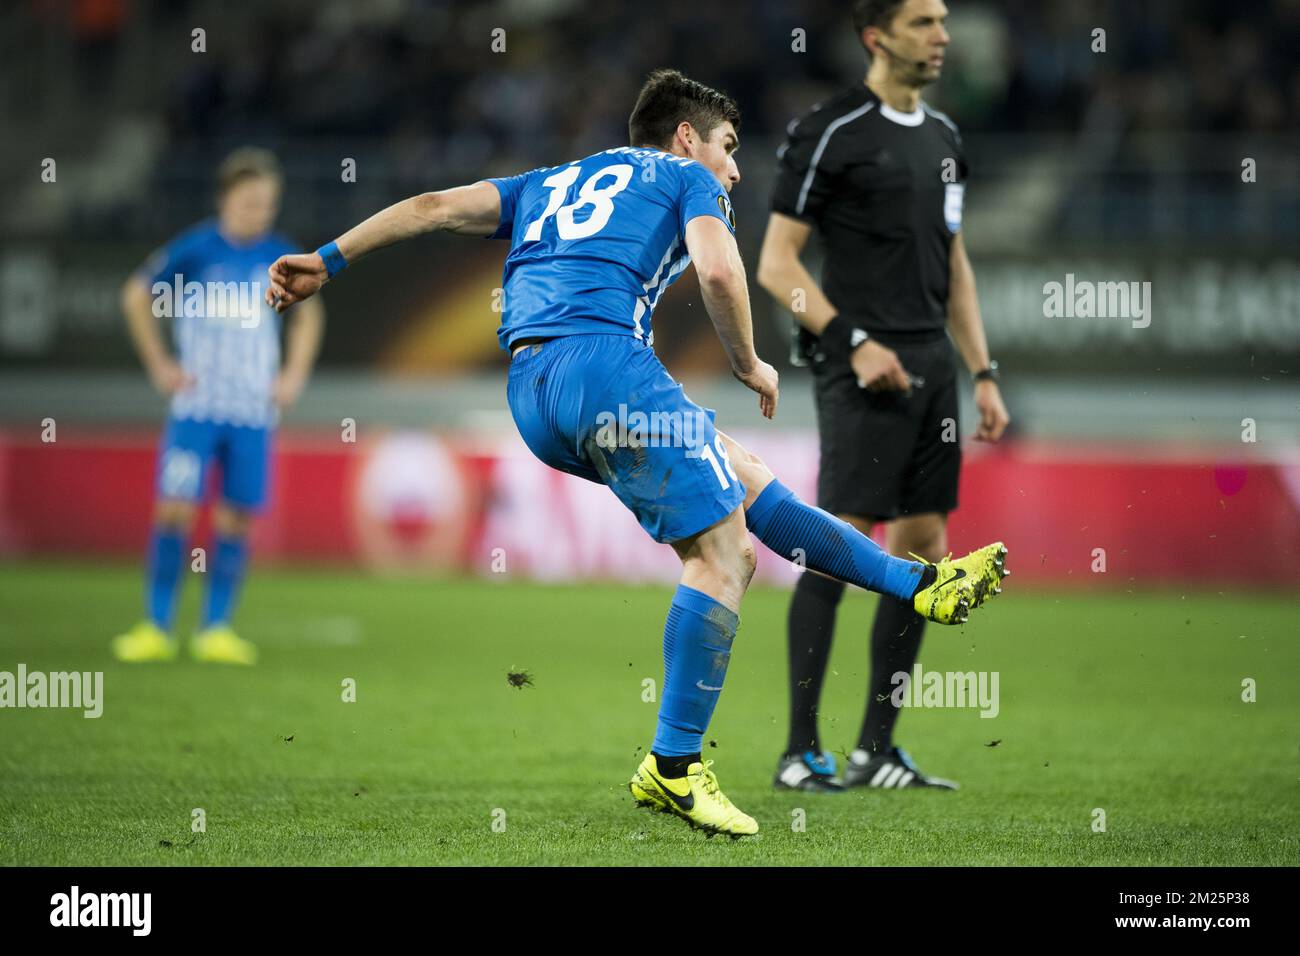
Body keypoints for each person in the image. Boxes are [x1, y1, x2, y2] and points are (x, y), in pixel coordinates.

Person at [264, 69, 1006, 837]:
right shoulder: (686, 176)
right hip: (604, 366)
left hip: (534, 394)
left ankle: (916, 584)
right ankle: (674, 767)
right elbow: (719, 268)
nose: (735, 166)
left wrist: (328, 258)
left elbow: (433, 207)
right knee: (726, 557)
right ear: (687, 138)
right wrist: (749, 362)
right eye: (726, 146)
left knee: (747, 482)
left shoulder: (549, 180)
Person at [757, 0, 1010, 792]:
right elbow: (776, 267)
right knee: (839, 547)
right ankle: (800, 751)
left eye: (943, 22)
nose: (943, 37)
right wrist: (852, 343)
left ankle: (876, 750)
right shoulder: (831, 131)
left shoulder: (946, 139)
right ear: (877, 36)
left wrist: (983, 370)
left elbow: (955, 264)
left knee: (924, 544)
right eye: (924, 23)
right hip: (858, 366)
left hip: (933, 367)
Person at [112, 148, 324, 666]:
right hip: (197, 408)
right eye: (251, 200)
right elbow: (136, 294)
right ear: (227, 198)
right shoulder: (196, 249)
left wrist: (293, 375)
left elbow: (309, 313)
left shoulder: (281, 255)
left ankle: (215, 629)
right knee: (175, 509)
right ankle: (156, 627)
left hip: (252, 412)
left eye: (268, 202)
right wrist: (160, 364)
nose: (260, 211)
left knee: (236, 520)